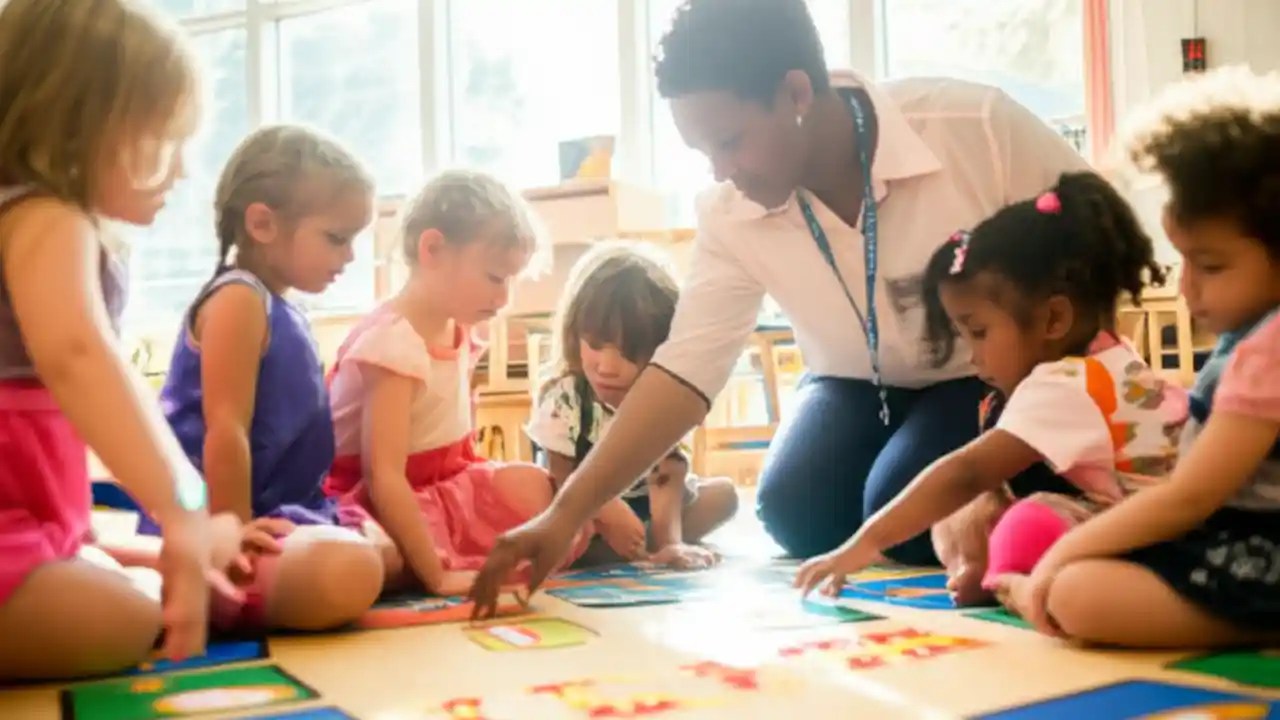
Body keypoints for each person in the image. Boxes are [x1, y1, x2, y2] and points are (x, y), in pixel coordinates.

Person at [470, 0, 1088, 613]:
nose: (721, 170)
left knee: (893, 504)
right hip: (850, 381)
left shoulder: (974, 125)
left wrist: (1047, 385)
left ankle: (1023, 491)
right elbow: (686, 369)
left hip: (978, 377)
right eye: (703, 151)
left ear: (795, 93)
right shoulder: (729, 211)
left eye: (731, 142)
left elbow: (1101, 242)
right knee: (797, 511)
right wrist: (563, 513)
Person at [791, 171, 1186, 604]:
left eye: (978, 332)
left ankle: (998, 576)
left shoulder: (1062, 385)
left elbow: (965, 473)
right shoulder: (1109, 356)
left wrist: (861, 546)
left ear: (1054, 320)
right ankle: (990, 566)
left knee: (1019, 519)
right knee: (989, 510)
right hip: (1166, 520)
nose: (973, 356)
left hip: (1167, 537)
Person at [998, 66, 1280, 649]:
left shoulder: (1269, 349)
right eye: (1183, 260)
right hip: (1238, 536)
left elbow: (1191, 495)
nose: (1186, 288)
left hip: (1261, 554)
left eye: (1211, 265)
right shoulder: (1255, 335)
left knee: (1075, 592)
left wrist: (1059, 558)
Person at [0, 0, 227, 679]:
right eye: (165, 137)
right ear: (82, 123)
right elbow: (78, 356)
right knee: (128, 618)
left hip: (29, 521)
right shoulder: (46, 213)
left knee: (115, 587)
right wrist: (183, 505)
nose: (181, 169)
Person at [159, 125, 387, 631]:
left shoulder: (284, 306)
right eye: (336, 238)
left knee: (386, 554)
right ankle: (218, 583)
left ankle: (270, 583)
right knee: (347, 571)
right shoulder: (239, 299)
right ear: (262, 223)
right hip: (224, 517)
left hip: (289, 508)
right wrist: (232, 531)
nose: (348, 256)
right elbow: (226, 429)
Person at [323, 170, 590, 597]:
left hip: (444, 486)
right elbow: (383, 477)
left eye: (511, 281)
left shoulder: (462, 331)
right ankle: (419, 562)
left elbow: (462, 454)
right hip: (379, 499)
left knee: (542, 491)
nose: (504, 299)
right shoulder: (393, 343)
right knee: (373, 558)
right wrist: (437, 576)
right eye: (495, 278)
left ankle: (436, 556)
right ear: (433, 250)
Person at [526, 243, 739, 569]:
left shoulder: (661, 397)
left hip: (648, 509)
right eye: (595, 345)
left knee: (723, 496)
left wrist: (672, 542)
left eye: (627, 352)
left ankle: (645, 546)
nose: (607, 366)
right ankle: (619, 547)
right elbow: (559, 474)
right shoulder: (568, 397)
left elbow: (667, 474)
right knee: (531, 500)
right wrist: (607, 511)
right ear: (574, 334)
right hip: (580, 511)